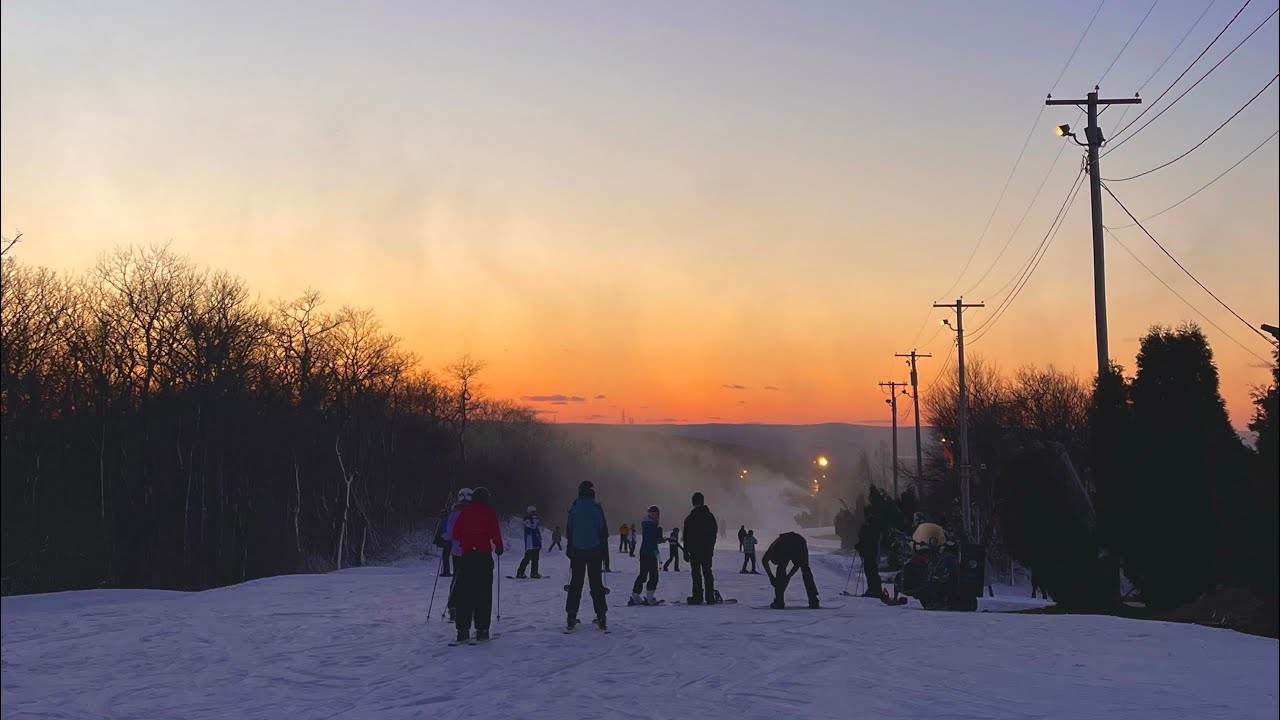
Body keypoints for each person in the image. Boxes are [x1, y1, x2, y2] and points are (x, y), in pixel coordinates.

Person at [449, 486, 503, 643]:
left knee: (465, 593)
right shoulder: (489, 513)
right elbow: (495, 533)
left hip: (467, 557)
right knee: (483, 593)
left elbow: (456, 533)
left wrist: (467, 541)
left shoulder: (465, 513)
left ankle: (462, 630)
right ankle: (482, 629)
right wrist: (498, 547)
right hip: (483, 557)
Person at [566, 481, 610, 631]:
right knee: (596, 584)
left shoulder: (575, 507)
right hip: (594, 550)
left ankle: (571, 616)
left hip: (577, 550)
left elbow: (570, 529)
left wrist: (570, 548)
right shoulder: (597, 508)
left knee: (575, 583)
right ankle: (601, 616)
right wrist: (604, 551)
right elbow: (603, 531)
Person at [762, 531, 820, 609]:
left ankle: (779, 602)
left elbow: (764, 560)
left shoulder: (772, 550)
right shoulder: (778, 547)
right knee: (805, 569)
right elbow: (798, 564)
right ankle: (813, 601)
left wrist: (771, 577)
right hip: (800, 541)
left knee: (781, 569)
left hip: (787, 541)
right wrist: (788, 576)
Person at [682, 492, 719, 604]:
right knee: (707, 572)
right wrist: (711, 547)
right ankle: (710, 597)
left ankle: (697, 596)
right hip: (706, 550)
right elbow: (714, 533)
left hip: (694, 551)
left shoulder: (690, 518)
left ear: (693, 502)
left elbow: (686, 536)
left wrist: (686, 550)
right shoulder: (709, 516)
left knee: (696, 574)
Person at [442, 487, 472, 621]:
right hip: (471, 550)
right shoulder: (474, 512)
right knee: (471, 579)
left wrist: (446, 539)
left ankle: (453, 606)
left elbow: (449, 532)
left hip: (457, 551)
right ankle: (469, 607)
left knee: (457, 578)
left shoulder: (454, 513)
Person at [630, 506, 663, 605]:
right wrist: (659, 541)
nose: (654, 515)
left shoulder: (647, 524)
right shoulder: (651, 525)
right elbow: (652, 541)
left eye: (655, 513)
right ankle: (649, 597)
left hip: (644, 552)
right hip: (650, 553)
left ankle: (635, 595)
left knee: (643, 575)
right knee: (653, 576)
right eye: (652, 513)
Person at [854, 511, 884, 598]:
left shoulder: (871, 528)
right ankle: (874, 589)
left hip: (871, 554)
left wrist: (860, 546)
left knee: (871, 571)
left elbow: (867, 541)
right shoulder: (873, 528)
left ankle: (874, 590)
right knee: (872, 571)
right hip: (871, 553)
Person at [516, 506, 543, 578]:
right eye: (532, 512)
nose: (534, 513)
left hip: (536, 541)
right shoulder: (527, 519)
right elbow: (532, 527)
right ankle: (520, 572)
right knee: (527, 558)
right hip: (530, 542)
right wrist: (534, 519)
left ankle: (534, 573)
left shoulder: (536, 519)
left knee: (536, 558)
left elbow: (537, 529)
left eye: (535, 511)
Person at [433, 506, 453, 577]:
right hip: (449, 540)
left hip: (446, 540)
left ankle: (446, 571)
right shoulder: (447, 519)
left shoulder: (444, 520)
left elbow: (444, 530)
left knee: (445, 556)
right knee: (446, 556)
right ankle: (446, 571)